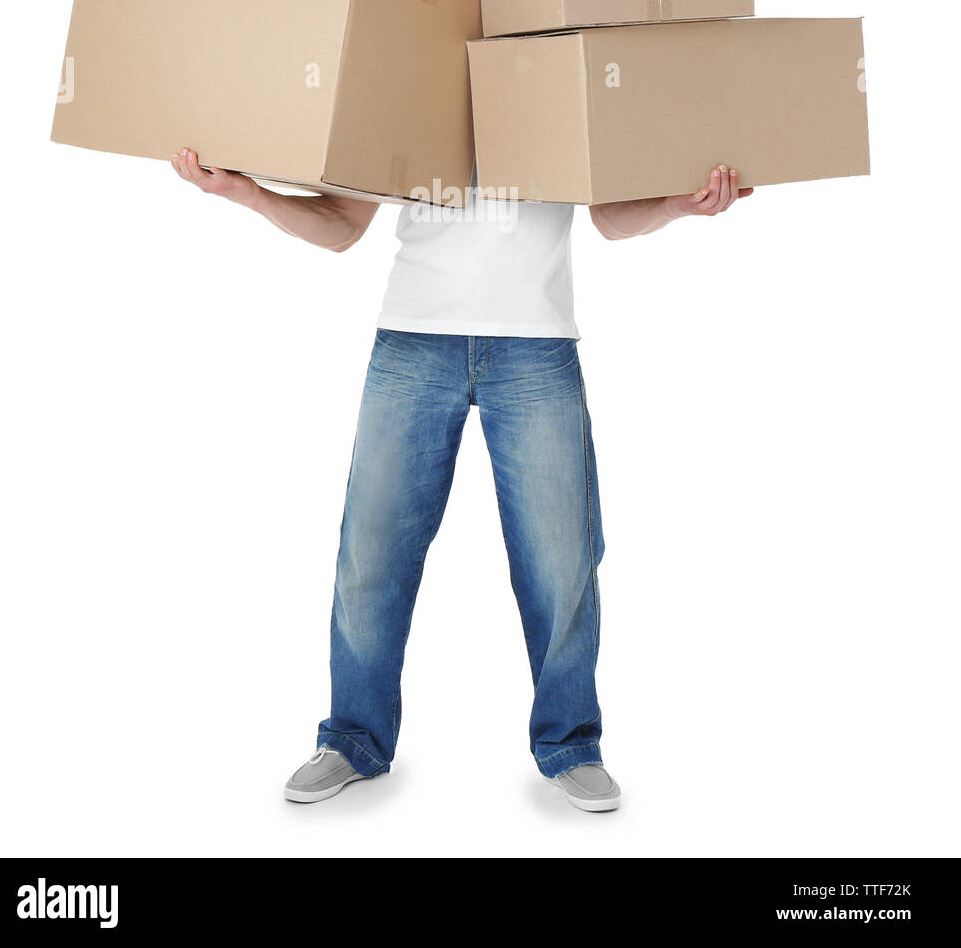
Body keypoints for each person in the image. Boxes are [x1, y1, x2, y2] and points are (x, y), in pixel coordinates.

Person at [171, 148, 751, 812]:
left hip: (534, 342)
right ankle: (354, 740)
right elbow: (343, 224)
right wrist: (246, 194)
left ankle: (571, 745)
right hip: (414, 339)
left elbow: (608, 215)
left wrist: (677, 204)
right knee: (372, 554)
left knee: (561, 560)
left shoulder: (557, 87)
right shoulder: (403, 96)